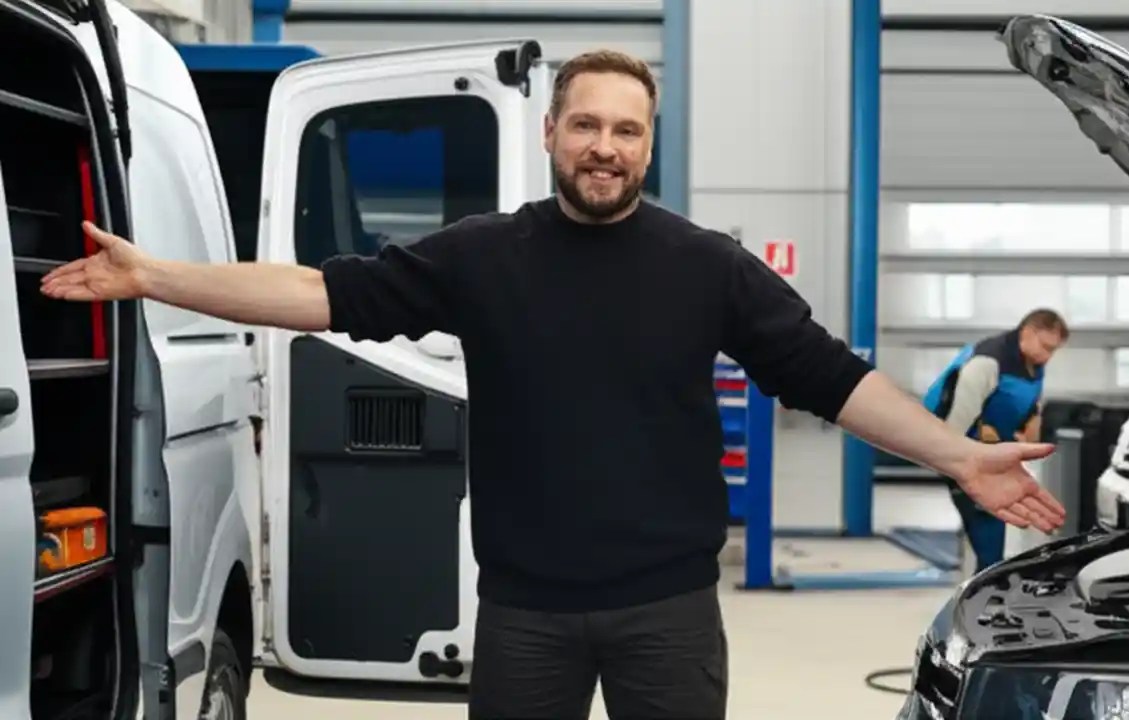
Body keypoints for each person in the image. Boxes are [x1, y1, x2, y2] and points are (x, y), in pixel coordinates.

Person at [42, 49, 1065, 720]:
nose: (604, 148)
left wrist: (960, 455)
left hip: (667, 611)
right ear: (550, 135)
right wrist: (156, 275)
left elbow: (830, 379)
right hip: (523, 614)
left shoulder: (706, 267)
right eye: (586, 126)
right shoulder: (482, 258)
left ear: (648, 145)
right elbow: (318, 292)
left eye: (626, 131)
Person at [922, 309, 1069, 575]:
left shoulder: (1034, 365)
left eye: (1054, 351)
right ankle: (981, 597)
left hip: (998, 457)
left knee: (996, 536)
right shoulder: (987, 362)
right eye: (1046, 347)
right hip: (970, 459)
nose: (1048, 356)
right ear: (1027, 332)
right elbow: (955, 426)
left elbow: (1027, 405)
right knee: (988, 540)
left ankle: (981, 585)